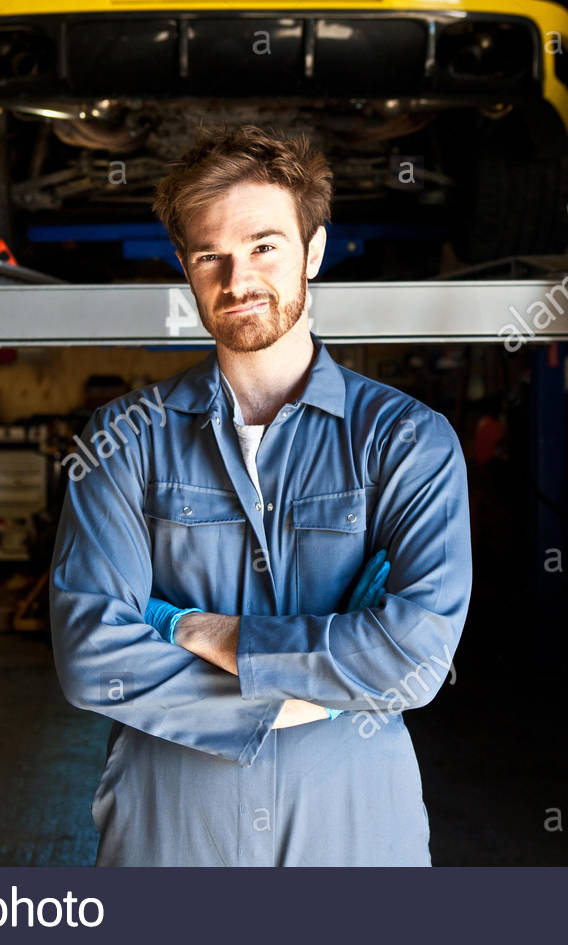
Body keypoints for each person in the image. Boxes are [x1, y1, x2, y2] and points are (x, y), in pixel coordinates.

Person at [49, 124, 472, 865]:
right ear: (185, 267)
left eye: (265, 246)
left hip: (357, 825)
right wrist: (328, 678)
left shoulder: (408, 440)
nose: (237, 279)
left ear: (313, 250)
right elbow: (92, 658)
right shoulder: (121, 439)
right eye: (212, 254)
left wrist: (197, 630)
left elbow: (412, 660)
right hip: (170, 830)